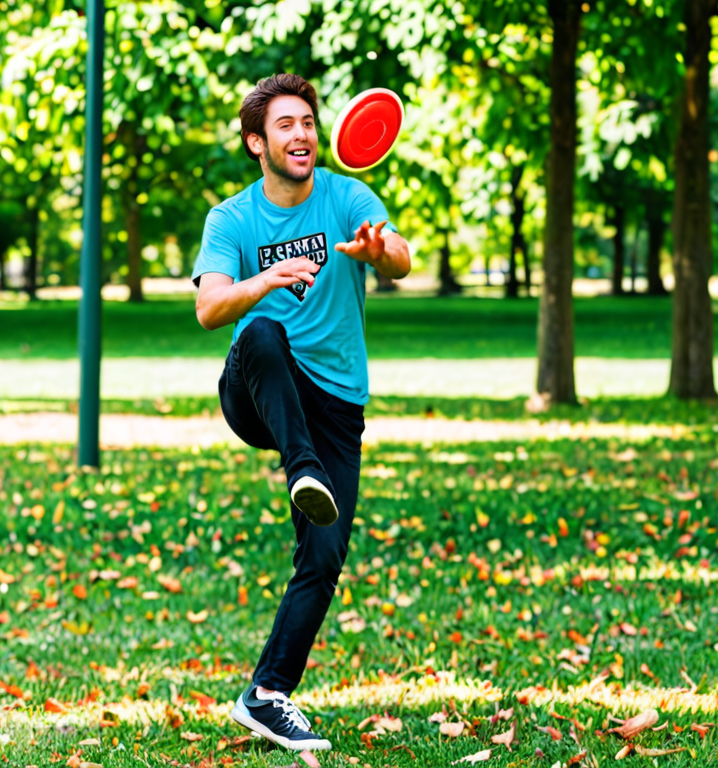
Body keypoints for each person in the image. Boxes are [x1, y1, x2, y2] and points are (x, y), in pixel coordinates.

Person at [191, 73, 411, 751]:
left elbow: (401, 257)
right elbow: (208, 310)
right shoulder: (232, 218)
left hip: (336, 400)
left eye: (308, 123)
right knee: (263, 331)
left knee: (324, 552)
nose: (302, 134)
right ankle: (301, 466)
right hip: (259, 390)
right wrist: (264, 281)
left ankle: (266, 694)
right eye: (285, 125)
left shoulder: (348, 197)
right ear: (258, 142)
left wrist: (380, 253)